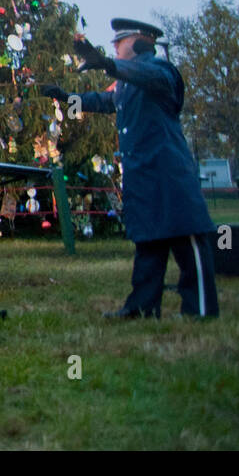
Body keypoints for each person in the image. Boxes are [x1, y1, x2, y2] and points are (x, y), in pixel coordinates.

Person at [42, 17, 219, 319]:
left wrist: (108, 64)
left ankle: (200, 309)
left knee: (187, 240)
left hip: (169, 175)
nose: (114, 46)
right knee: (148, 243)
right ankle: (142, 307)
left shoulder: (162, 72)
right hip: (142, 176)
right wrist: (66, 99)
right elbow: (104, 101)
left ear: (139, 42)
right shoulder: (128, 83)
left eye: (119, 41)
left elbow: (143, 74)